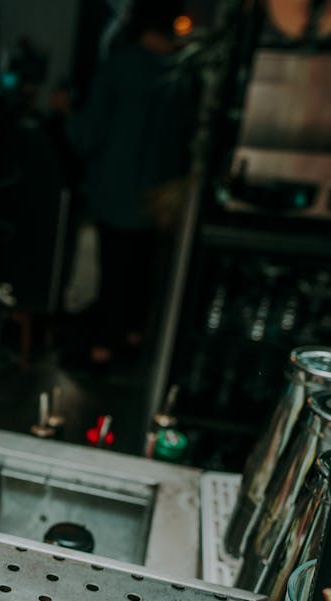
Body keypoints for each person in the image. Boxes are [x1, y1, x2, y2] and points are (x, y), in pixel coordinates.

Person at [65, 0, 198, 366]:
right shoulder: (183, 71)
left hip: (119, 190)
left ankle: (104, 349)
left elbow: (87, 134)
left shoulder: (120, 66)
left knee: (115, 272)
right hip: (163, 195)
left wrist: (66, 114)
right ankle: (135, 341)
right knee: (143, 272)